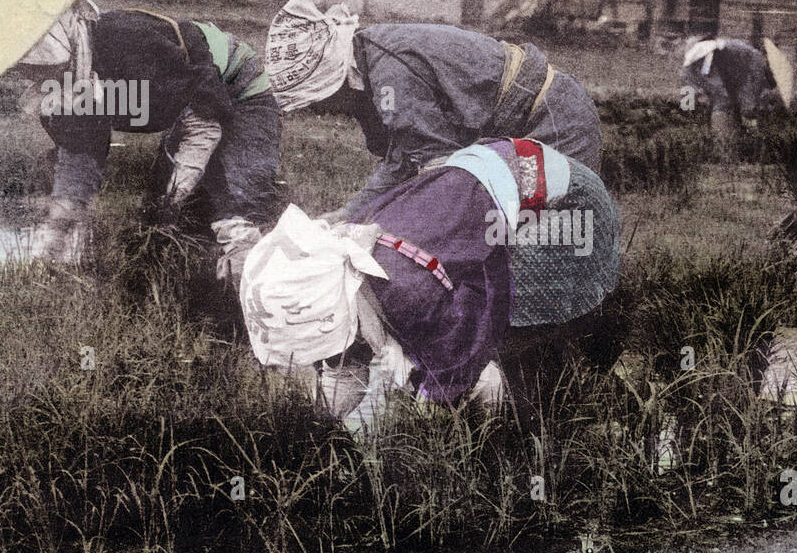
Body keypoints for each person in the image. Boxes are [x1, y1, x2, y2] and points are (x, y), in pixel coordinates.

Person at [0, 0, 282, 282]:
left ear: (60, 40)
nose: (42, 79)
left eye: (46, 68)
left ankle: (249, 308)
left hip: (236, 90)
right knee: (168, 217)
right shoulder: (66, 87)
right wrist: (61, 215)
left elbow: (204, 121)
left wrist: (179, 191)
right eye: (31, 72)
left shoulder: (125, 41)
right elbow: (81, 154)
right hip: (186, 107)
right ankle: (200, 291)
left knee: (236, 210)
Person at [240, 137, 620, 429]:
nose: (325, 360)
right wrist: (319, 424)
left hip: (567, 208)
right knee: (421, 346)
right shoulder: (343, 268)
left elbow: (467, 368)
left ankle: (539, 413)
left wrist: (438, 395)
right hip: (495, 174)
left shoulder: (406, 295)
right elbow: (343, 365)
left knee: (504, 333)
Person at [264, 0, 603, 220]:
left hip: (551, 119)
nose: (326, 110)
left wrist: (387, 227)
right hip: (526, 121)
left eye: (322, 100)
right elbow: (404, 157)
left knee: (548, 236)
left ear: (335, 80)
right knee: (506, 239)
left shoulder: (389, 76)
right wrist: (351, 214)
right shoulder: (371, 55)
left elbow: (439, 174)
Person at [680, 36, 781, 157]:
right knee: (723, 115)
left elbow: (748, 91)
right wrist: (689, 112)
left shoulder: (743, 59)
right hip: (724, 89)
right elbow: (688, 94)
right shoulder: (689, 71)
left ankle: (742, 150)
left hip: (739, 81)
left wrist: (748, 110)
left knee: (743, 114)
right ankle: (727, 151)